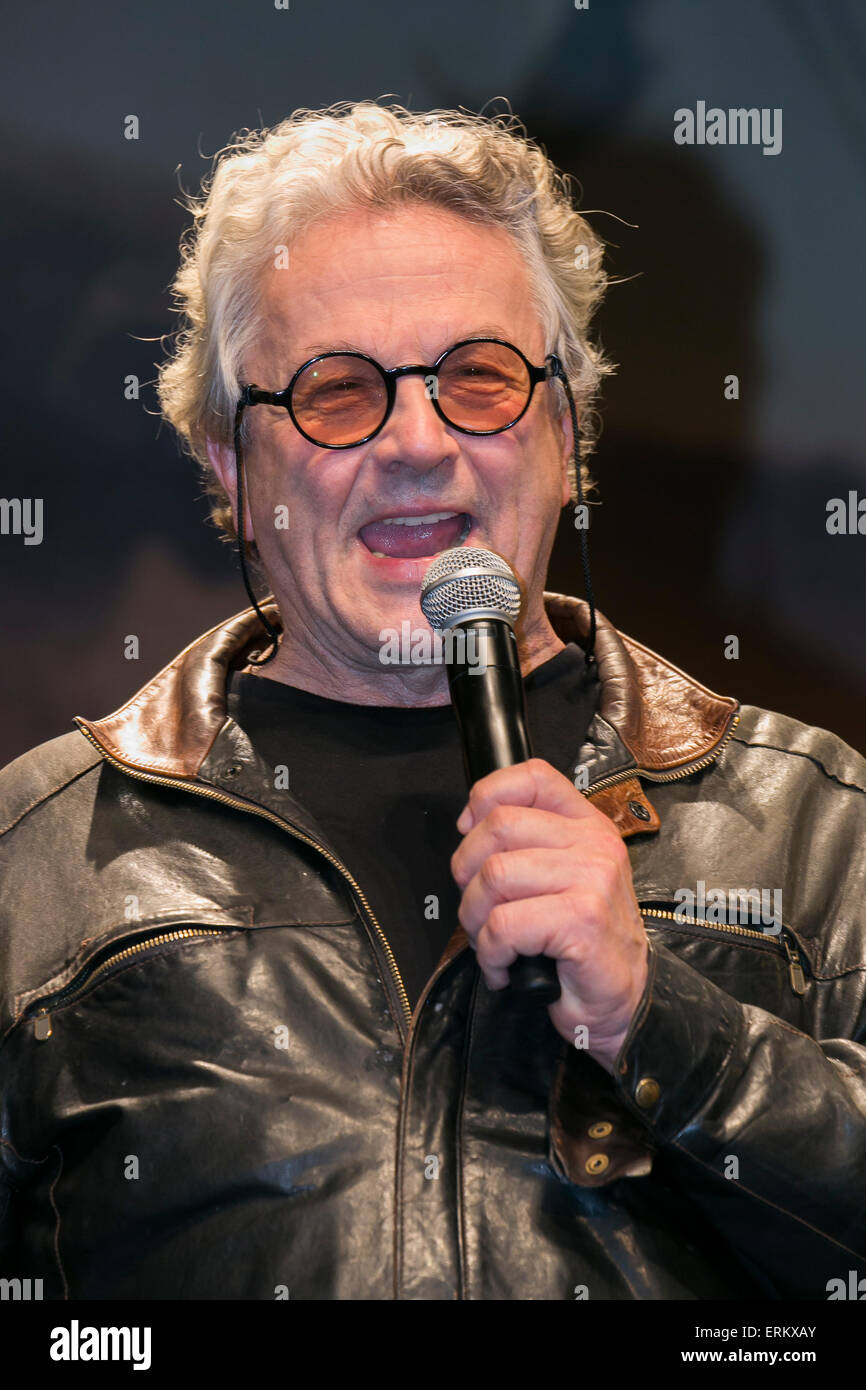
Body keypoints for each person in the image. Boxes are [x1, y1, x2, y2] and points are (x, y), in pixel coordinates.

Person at [1, 101, 864, 1302]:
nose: (417, 441)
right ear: (230, 468)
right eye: (338, 392)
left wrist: (660, 1025)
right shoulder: (35, 857)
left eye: (477, 377)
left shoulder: (812, 826)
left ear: (568, 433)